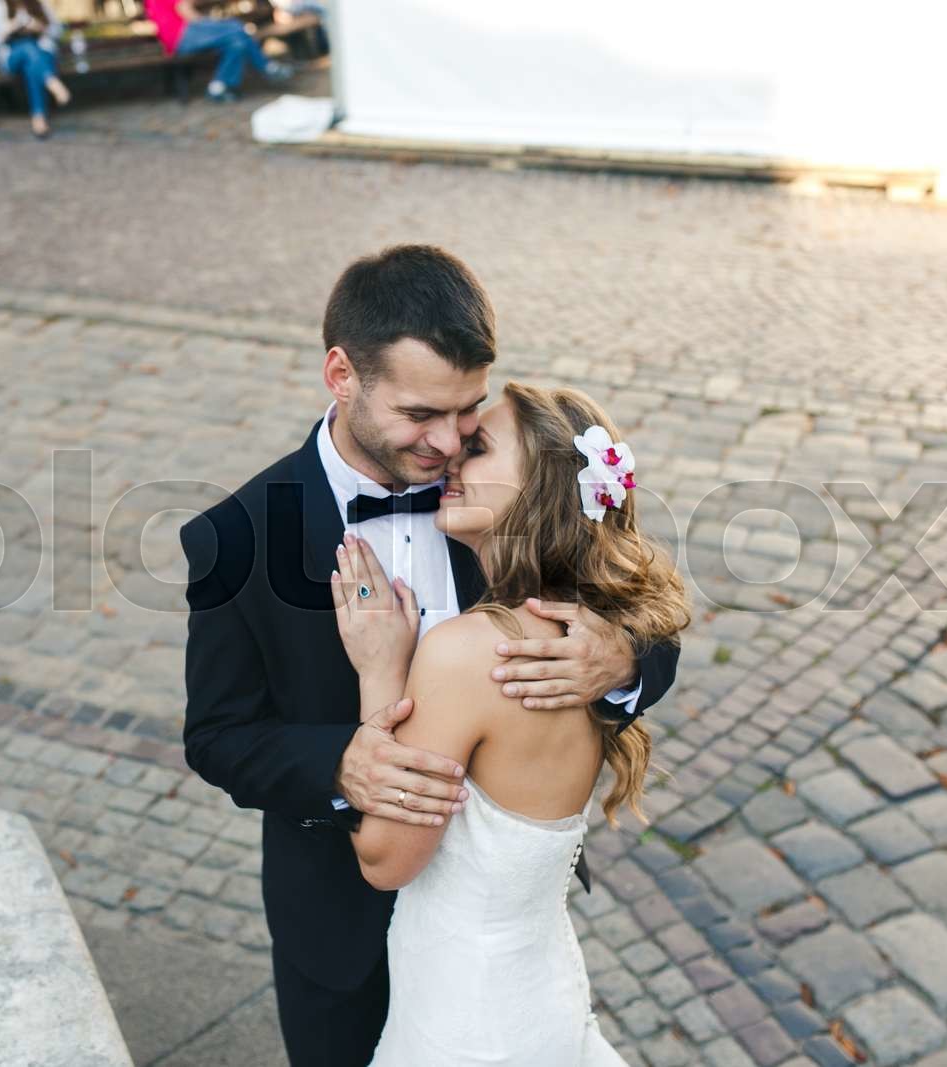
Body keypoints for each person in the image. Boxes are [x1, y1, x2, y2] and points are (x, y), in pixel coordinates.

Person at [180, 245, 681, 1067]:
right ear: (342, 374)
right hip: (338, 925)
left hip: (481, 930)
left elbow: (630, 596)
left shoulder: (496, 502)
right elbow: (218, 735)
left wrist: (620, 662)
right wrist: (344, 763)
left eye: (469, 412)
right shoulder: (236, 538)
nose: (449, 442)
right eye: (421, 415)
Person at [336, 381, 691, 1064]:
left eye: (478, 448)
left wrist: (380, 671)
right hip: (540, 993)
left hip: (467, 1024)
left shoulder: (469, 652)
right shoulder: (589, 634)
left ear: (542, 486)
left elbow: (386, 859)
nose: (451, 461)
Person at [144, 0, 294, 103]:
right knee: (236, 27)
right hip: (184, 35)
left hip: (176, 40)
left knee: (237, 44)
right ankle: (267, 67)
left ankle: (218, 88)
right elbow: (187, 14)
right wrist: (210, 23)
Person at [0, 0, 71, 139]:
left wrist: (41, 28)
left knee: (31, 66)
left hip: (41, 51)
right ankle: (51, 81)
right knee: (28, 48)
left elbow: (58, 31)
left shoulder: (41, 4)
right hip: (12, 56)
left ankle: (39, 119)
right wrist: (7, 30)